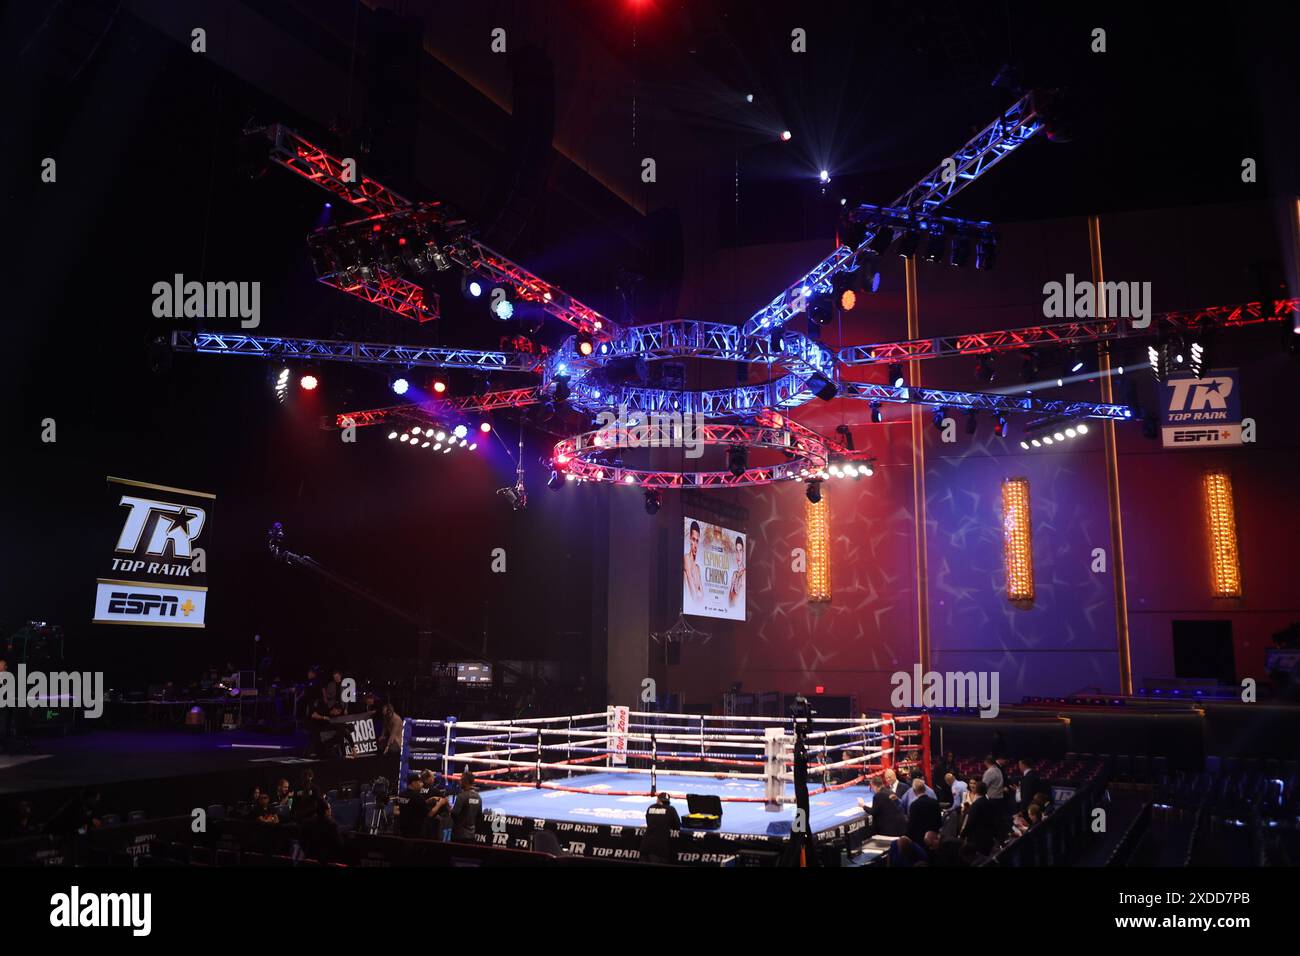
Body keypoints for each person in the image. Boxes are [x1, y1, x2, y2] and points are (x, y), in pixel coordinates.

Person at [959, 781, 1000, 855]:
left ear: (977, 790)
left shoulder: (976, 805)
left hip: (977, 838)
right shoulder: (990, 803)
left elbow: (970, 822)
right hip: (989, 837)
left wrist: (962, 835)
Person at [640, 792, 680, 863]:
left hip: (645, 846)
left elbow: (649, 822)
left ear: (657, 800)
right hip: (660, 849)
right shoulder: (671, 809)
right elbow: (677, 826)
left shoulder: (650, 808)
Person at [906, 778, 943, 844]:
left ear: (914, 791)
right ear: (925, 789)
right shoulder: (934, 802)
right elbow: (939, 822)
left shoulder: (914, 805)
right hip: (934, 839)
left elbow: (912, 825)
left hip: (919, 840)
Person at [450, 771, 482, 843]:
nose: (460, 782)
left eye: (461, 780)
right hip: (471, 836)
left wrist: (450, 810)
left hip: (459, 836)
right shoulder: (478, 797)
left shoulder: (462, 796)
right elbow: (479, 815)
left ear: (466, 781)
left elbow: (454, 814)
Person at [683, 522, 703, 603]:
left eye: (697, 541)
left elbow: (703, 596)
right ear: (690, 539)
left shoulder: (698, 568)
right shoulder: (686, 558)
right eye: (693, 539)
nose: (695, 545)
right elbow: (690, 583)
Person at [728, 535, 746, 607]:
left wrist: (733, 595)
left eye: (740, 551)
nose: (738, 555)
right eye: (736, 551)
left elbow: (736, 602)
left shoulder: (745, 575)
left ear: (743, 552)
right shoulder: (734, 574)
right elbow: (729, 602)